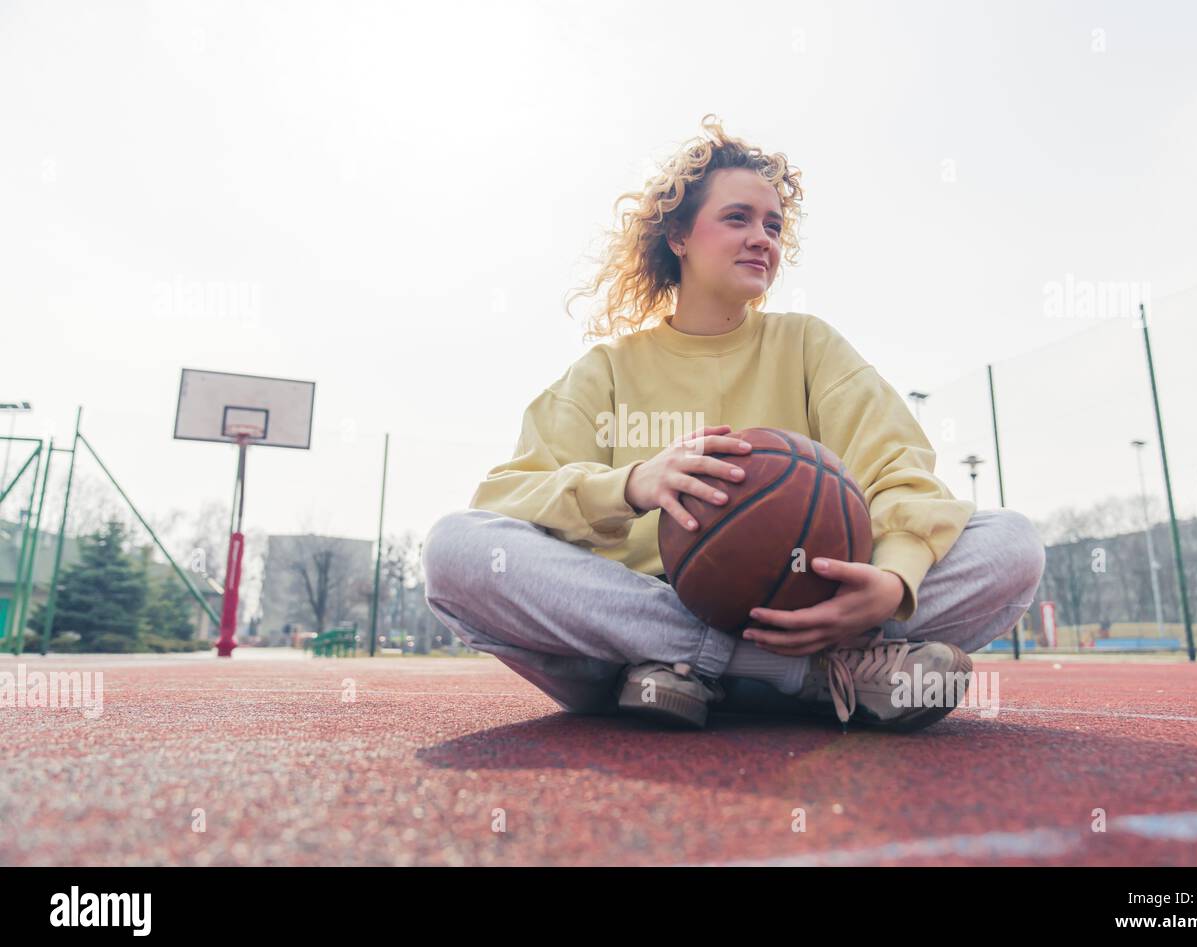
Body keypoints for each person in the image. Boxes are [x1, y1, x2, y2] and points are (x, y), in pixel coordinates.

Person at [423, 114, 1045, 732]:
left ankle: (707, 666)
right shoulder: (607, 370)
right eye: (737, 218)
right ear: (678, 237)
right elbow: (507, 496)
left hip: (799, 608)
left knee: (1011, 544)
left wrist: (893, 580)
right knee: (459, 549)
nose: (763, 238)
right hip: (644, 615)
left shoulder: (808, 345)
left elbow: (899, 469)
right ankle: (806, 677)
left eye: (773, 225)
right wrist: (633, 484)